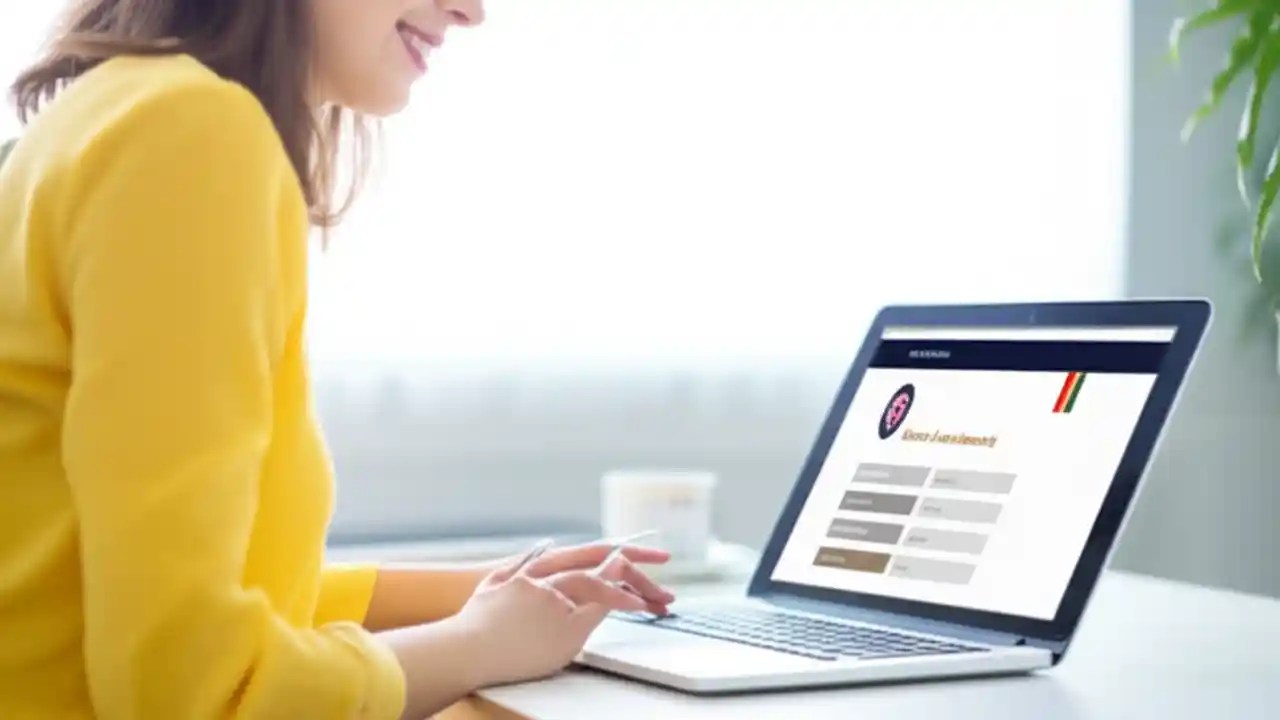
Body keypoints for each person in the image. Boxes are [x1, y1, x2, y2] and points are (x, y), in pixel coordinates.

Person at [0, 1, 676, 718]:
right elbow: (190, 691)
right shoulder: (187, 132)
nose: (471, 10)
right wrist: (479, 643)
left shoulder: (109, 115)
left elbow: (153, 597)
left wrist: (492, 596)